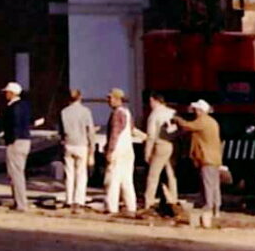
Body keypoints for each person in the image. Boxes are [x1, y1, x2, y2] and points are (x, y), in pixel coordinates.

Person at [174, 99, 222, 218]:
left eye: (196, 109)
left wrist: (177, 119)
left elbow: (186, 126)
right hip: (214, 157)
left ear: (200, 110)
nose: (194, 111)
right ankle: (216, 208)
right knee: (214, 184)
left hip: (207, 157)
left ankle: (208, 206)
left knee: (208, 184)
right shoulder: (212, 121)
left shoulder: (202, 121)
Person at [58, 89, 95, 211]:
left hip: (68, 144)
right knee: (81, 174)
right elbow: (90, 131)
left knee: (69, 173)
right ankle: (79, 200)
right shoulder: (85, 112)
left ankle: (69, 199)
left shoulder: (64, 112)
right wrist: (92, 148)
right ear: (80, 97)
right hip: (82, 144)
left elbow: (61, 131)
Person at [103, 87, 137, 216]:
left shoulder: (116, 113)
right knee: (127, 180)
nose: (108, 100)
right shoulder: (127, 112)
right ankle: (131, 206)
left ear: (117, 99)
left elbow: (115, 133)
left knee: (113, 180)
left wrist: (110, 151)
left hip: (118, 149)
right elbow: (132, 129)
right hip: (128, 149)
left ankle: (112, 207)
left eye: (110, 98)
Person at [142, 92, 178, 213]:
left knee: (153, 174)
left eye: (150, 101)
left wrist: (147, 151)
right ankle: (173, 198)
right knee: (170, 173)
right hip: (172, 144)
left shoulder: (154, 115)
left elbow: (151, 135)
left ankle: (149, 201)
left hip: (160, 144)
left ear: (154, 100)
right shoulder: (172, 112)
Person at [1, 81, 32, 211]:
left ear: (12, 93)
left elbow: (14, 124)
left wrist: (9, 138)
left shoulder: (14, 107)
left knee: (15, 173)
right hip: (25, 140)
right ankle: (19, 201)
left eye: (7, 92)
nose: (5, 95)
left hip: (16, 142)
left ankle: (21, 203)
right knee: (17, 172)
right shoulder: (25, 106)